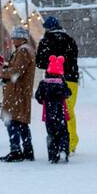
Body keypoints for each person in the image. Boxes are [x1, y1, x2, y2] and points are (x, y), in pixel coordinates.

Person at [35, 16, 80, 153]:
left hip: (52, 81)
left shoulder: (46, 41)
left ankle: (57, 143)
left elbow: (40, 63)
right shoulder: (70, 40)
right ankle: (71, 142)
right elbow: (74, 59)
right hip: (71, 79)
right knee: (69, 111)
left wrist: (52, 64)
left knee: (53, 114)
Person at [0, 27, 36, 162]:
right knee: (21, 122)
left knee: (12, 121)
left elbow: (17, 71)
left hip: (17, 91)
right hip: (20, 91)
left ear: (22, 38)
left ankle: (16, 151)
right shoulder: (26, 50)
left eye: (15, 37)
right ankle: (27, 150)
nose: (13, 39)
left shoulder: (23, 51)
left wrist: (3, 73)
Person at [35, 55, 72, 163]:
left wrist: (43, 101)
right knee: (64, 133)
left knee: (51, 134)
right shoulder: (62, 84)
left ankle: (53, 155)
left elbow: (38, 96)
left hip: (48, 115)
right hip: (61, 114)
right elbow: (68, 93)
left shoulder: (43, 84)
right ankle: (64, 150)